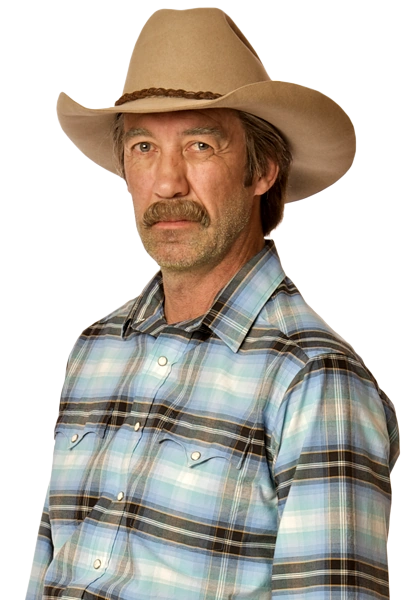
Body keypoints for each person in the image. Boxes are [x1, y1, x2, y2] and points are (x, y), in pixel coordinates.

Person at [27, 6, 400, 599]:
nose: (167, 182)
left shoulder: (314, 380)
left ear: (262, 170)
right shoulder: (96, 351)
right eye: (144, 147)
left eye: (200, 145)